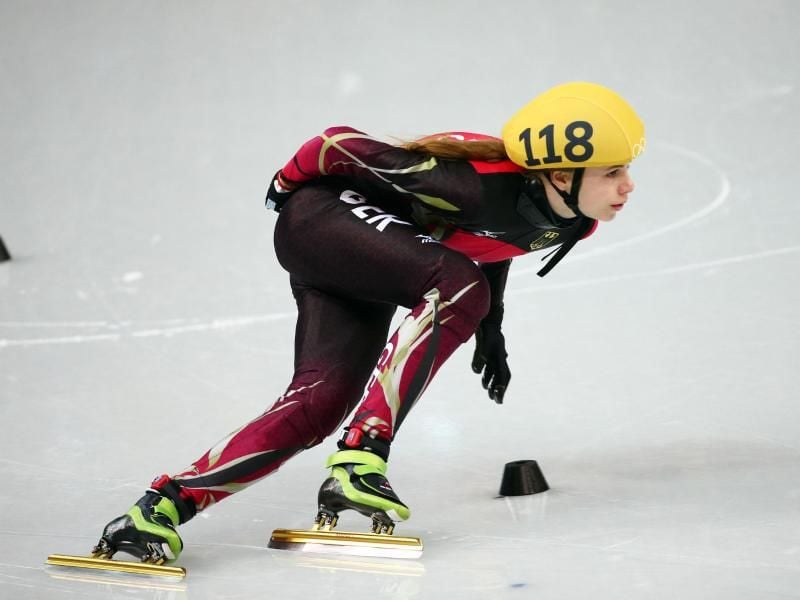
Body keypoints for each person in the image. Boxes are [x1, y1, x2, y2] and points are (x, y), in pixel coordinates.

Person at [93, 81, 645, 564]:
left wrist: (490, 329)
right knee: (458, 284)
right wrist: (284, 185)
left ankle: (160, 508)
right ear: (560, 174)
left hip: (371, 258)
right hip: (322, 218)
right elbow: (334, 144)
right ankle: (362, 457)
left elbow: (495, 243)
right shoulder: (471, 182)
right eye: (613, 172)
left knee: (318, 404)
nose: (628, 186)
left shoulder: (573, 220)